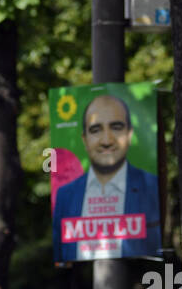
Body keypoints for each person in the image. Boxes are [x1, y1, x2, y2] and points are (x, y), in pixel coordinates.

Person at [51, 94, 161, 258]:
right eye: (95, 130)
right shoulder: (65, 196)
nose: (106, 140)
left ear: (130, 134)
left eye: (116, 127)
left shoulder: (152, 186)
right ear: (85, 139)